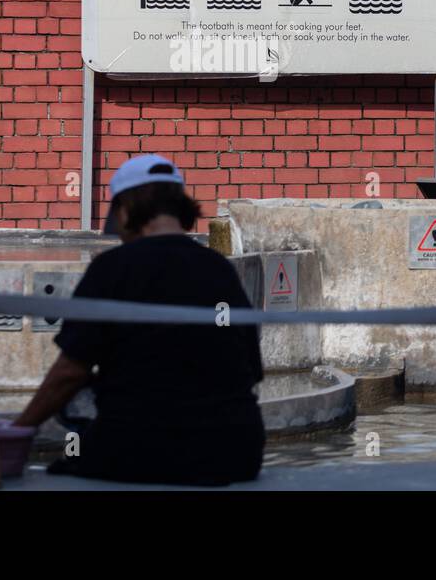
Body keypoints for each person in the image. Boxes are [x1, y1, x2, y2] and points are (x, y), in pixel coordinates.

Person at [15, 154, 266, 485]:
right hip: (236, 452)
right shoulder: (219, 268)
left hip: (138, 450)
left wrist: (17, 432)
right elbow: (252, 368)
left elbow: (70, 373)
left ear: (126, 210)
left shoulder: (112, 268)